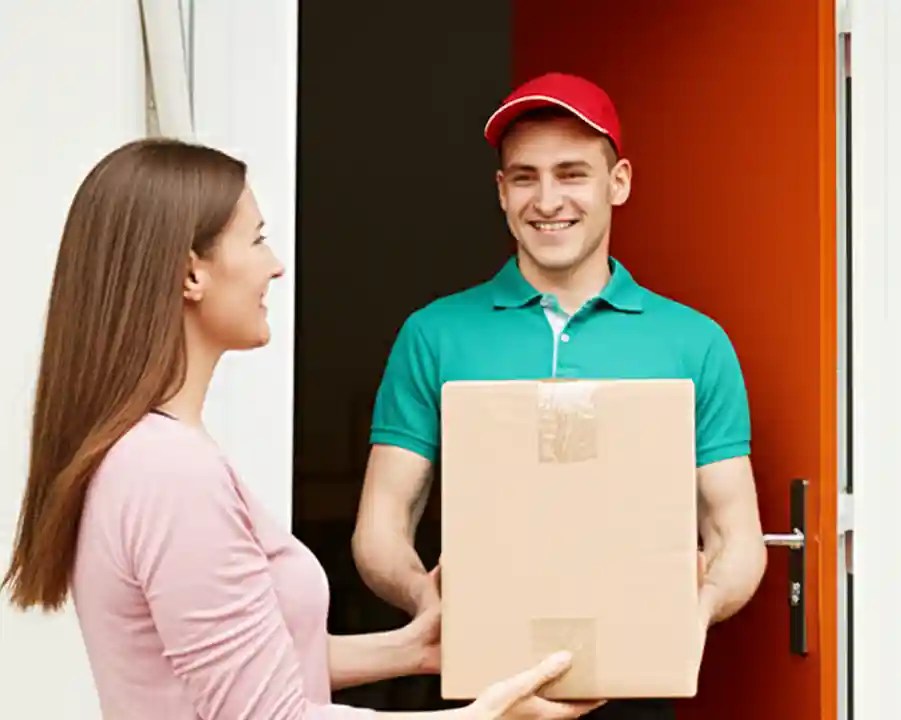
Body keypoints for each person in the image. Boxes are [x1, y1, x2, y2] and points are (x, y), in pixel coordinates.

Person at [1, 138, 603, 720]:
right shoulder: (170, 473)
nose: (276, 265)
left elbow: (241, 671)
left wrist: (413, 648)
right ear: (191, 274)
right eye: (257, 239)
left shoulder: (149, 454)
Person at [351, 72, 768, 720]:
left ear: (618, 183)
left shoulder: (694, 343)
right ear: (501, 191)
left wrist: (699, 606)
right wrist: (425, 601)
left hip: (635, 685)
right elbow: (382, 523)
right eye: (525, 177)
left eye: (572, 174)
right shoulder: (435, 335)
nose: (547, 200)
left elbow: (735, 532)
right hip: (482, 685)